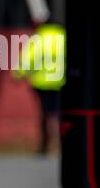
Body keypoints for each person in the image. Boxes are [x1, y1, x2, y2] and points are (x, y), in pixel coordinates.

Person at [13, 22, 66, 156]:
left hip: (42, 83)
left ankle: (46, 145)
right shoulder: (63, 36)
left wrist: (19, 73)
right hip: (61, 81)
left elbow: (30, 58)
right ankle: (58, 143)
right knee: (58, 113)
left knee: (45, 113)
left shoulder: (40, 38)